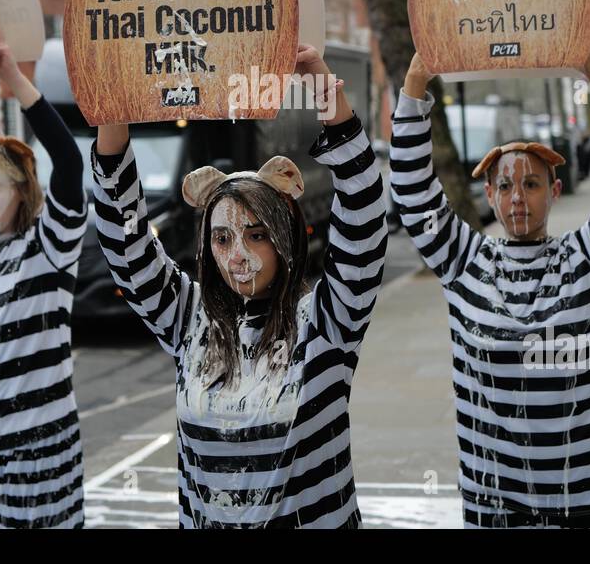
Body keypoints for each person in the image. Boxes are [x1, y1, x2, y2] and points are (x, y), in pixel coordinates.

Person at [90, 45, 387, 527]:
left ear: (286, 237)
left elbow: (365, 219)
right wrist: (112, 105)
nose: (238, 257)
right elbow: (124, 242)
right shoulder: (188, 320)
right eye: (222, 238)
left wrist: (318, 80)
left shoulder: (327, 321)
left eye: (257, 235)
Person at [390, 45, 590, 527]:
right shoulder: (464, 260)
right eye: (505, 186)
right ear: (488, 195)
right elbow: (412, 192)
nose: (518, 198)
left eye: (531, 184)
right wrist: (414, 85)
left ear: (554, 192)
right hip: (498, 508)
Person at [0, 23, 88, 528]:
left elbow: (70, 162)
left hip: (42, 463)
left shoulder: (47, 250)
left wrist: (12, 75)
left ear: (19, 190)